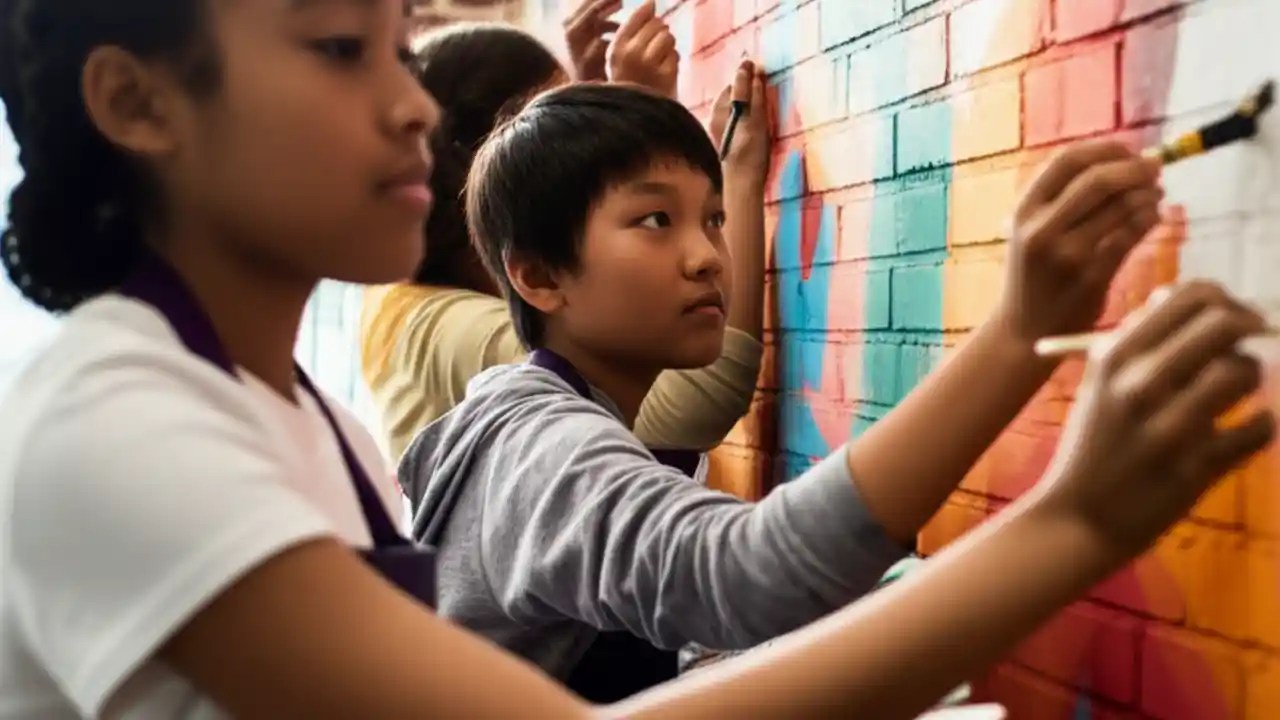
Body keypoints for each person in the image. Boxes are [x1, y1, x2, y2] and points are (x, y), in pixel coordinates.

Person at [0, 2, 1269, 719]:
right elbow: (738, 580)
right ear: (137, 101)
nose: (415, 108)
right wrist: (1070, 523)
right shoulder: (123, 433)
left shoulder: (288, 416)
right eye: (339, 50)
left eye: (399, 50)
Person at [399, 81, 1246, 698]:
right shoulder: (542, 448)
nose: (706, 257)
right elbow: (747, 575)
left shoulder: (558, 420)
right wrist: (1018, 331)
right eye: (656, 220)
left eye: (713, 218)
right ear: (539, 276)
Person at [359, 17, 768, 463]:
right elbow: (691, 405)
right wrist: (735, 173)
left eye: (713, 219)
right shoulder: (434, 325)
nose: (706, 257)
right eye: (549, 121)